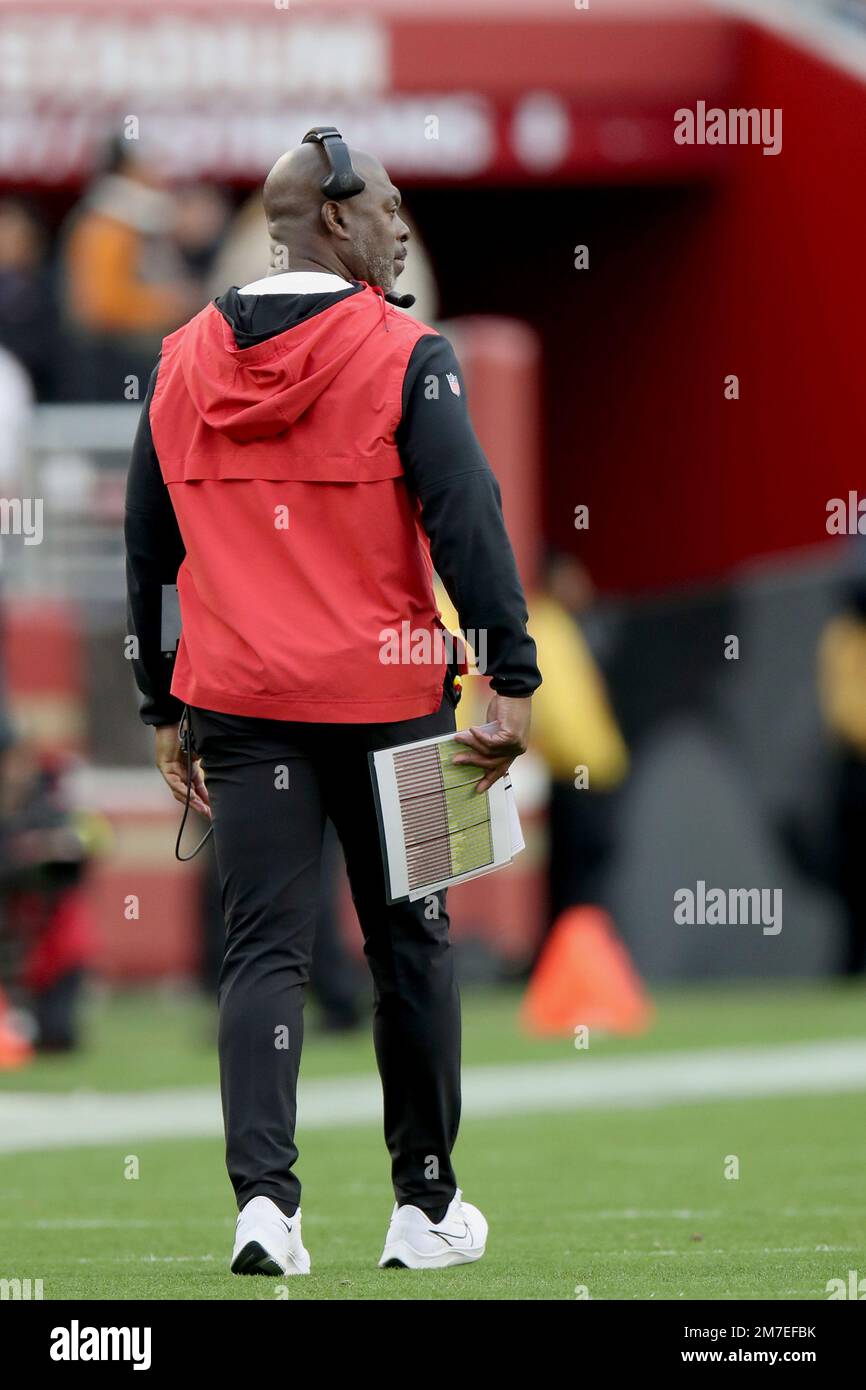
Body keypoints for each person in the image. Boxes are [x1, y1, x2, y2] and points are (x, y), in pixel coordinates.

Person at [124, 129, 541, 1276]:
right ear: (339, 219)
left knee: (263, 950)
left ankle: (266, 1207)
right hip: (398, 694)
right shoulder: (410, 352)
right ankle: (424, 1203)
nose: (402, 224)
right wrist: (510, 672)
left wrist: (160, 703)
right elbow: (468, 520)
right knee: (415, 941)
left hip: (241, 702)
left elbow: (150, 552)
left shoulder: (178, 360)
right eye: (392, 205)